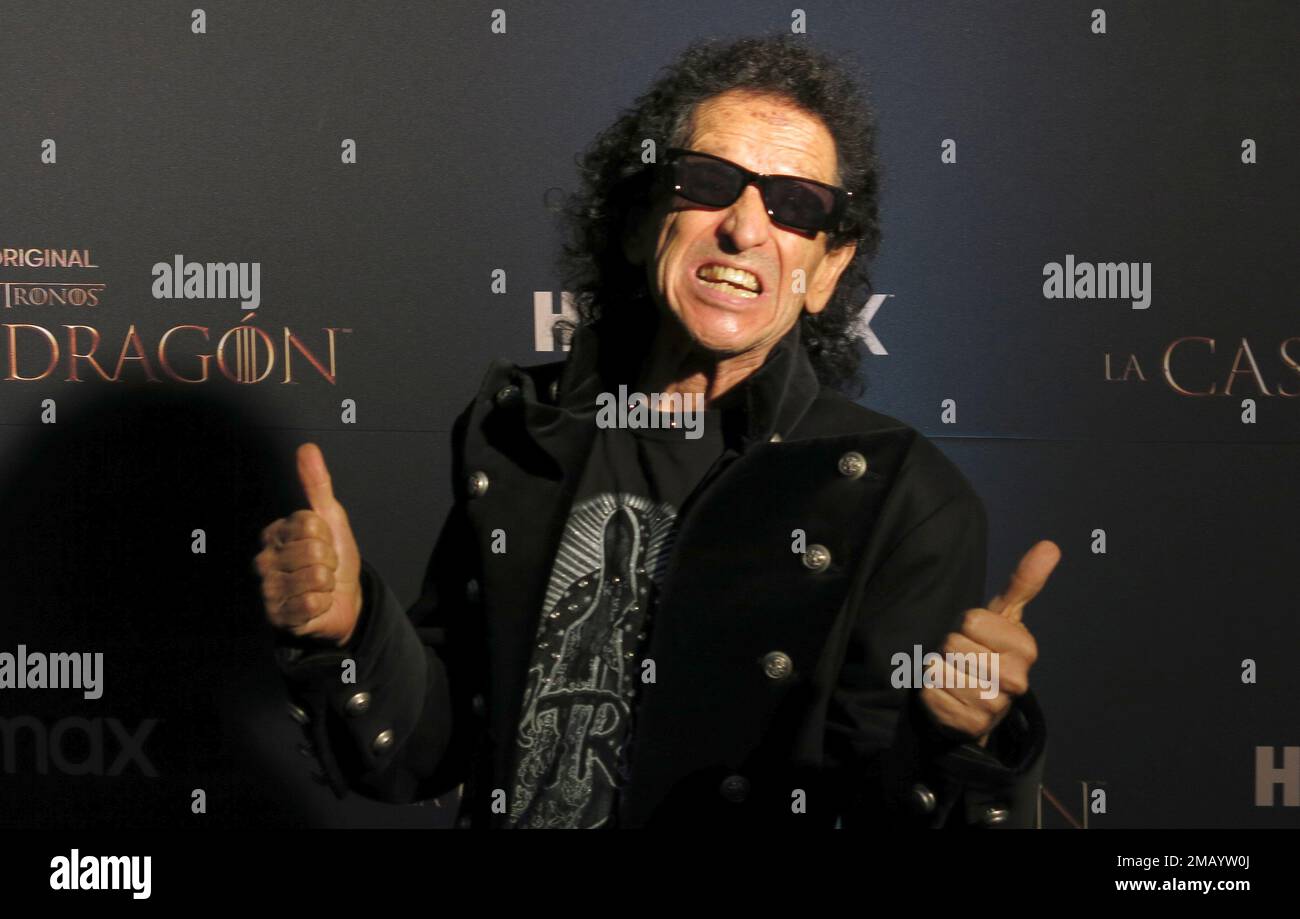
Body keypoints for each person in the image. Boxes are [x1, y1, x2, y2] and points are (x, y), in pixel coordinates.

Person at [254, 34, 1059, 828]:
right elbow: (428, 752)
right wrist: (348, 628)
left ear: (826, 271)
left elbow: (878, 804)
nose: (745, 228)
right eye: (708, 182)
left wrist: (965, 736)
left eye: (796, 204)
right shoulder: (519, 431)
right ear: (642, 223)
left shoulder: (899, 496)